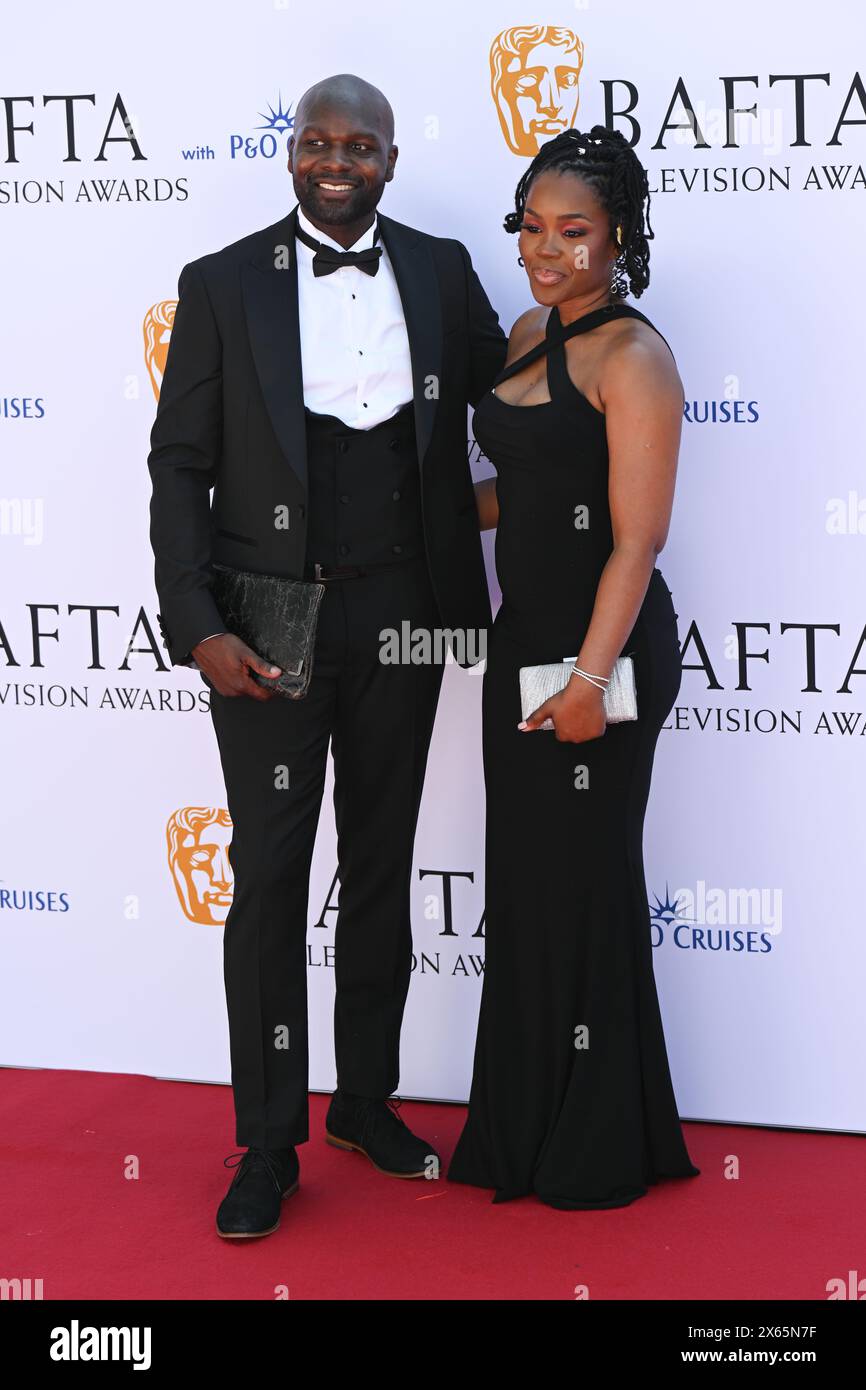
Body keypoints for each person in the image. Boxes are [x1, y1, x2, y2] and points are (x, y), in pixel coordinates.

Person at [147, 73, 506, 1238]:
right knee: (268, 885)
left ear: (391, 160)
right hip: (265, 623)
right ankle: (266, 1139)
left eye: (360, 143)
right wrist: (197, 623)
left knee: (382, 866)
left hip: (406, 610)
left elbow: (513, 397)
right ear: (291, 154)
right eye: (316, 141)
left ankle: (363, 1101)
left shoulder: (444, 270)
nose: (336, 158)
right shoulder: (219, 284)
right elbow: (178, 467)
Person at [448, 126, 700, 1209]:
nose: (545, 251)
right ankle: (522, 1127)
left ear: (617, 239)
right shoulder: (523, 329)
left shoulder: (633, 358)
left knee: (585, 890)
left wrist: (589, 686)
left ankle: (597, 1143)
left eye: (573, 233)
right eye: (532, 228)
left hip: (602, 658)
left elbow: (635, 541)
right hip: (525, 646)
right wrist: (421, 519)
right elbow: (530, 495)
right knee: (528, 888)